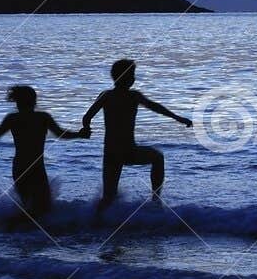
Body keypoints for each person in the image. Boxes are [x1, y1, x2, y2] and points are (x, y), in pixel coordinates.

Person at [81, 59, 192, 215]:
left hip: (111, 153)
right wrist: (178, 118)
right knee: (158, 157)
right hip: (128, 151)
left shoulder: (106, 95)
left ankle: (91, 223)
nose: (134, 78)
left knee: (108, 197)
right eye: (132, 75)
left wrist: (86, 129)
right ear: (124, 77)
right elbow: (156, 108)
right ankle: (155, 199)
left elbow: (86, 117)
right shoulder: (134, 96)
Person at [0, 85, 86, 221]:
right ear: (34, 101)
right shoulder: (42, 117)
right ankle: (22, 231)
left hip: (19, 166)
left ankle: (15, 229)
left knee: (27, 205)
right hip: (37, 166)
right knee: (44, 206)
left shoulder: (13, 118)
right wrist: (79, 135)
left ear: (17, 102)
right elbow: (61, 134)